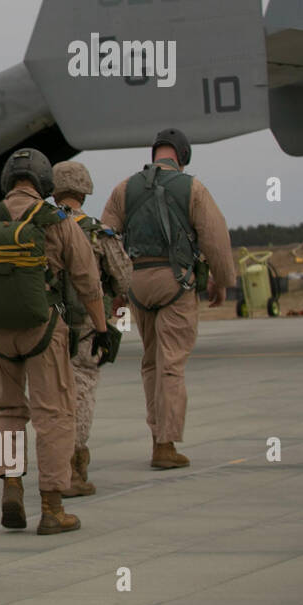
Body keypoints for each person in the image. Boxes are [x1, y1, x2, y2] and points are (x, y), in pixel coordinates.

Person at [0, 149, 113, 534]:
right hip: (44, 329)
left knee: (8, 410)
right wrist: (101, 328)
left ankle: (11, 486)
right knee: (53, 413)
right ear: (44, 182)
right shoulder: (57, 219)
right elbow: (88, 281)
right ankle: (52, 506)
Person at [100, 128, 237, 468]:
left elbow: (103, 237)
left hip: (137, 285)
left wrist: (114, 289)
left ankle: (155, 437)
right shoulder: (193, 188)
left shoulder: (123, 188)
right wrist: (221, 282)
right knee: (171, 364)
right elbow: (215, 239)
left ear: (154, 153)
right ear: (182, 155)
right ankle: (165, 444)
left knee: (150, 362)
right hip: (176, 282)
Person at [51, 160, 132, 495]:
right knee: (81, 389)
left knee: (52, 395)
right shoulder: (98, 232)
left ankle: (50, 466)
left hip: (48, 326)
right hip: (86, 325)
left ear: (54, 191)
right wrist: (119, 299)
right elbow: (124, 276)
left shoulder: (41, 228)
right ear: (84, 191)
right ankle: (73, 465)